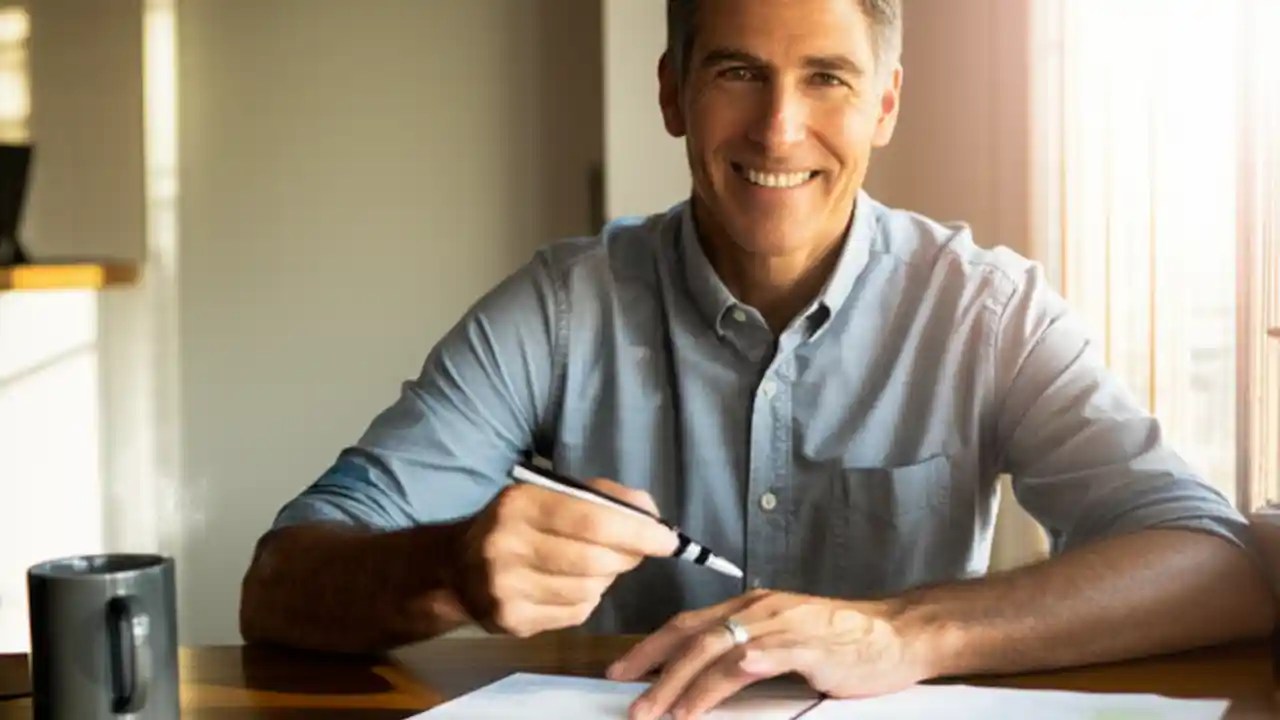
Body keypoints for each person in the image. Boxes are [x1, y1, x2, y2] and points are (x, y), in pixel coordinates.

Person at [239, 0, 1276, 718]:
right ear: (671, 95)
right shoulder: (557, 309)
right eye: (738, 72)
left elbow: (1215, 566)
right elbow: (278, 584)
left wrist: (902, 634)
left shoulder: (987, 310)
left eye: (826, 78)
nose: (779, 130)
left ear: (884, 104)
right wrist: (447, 570)